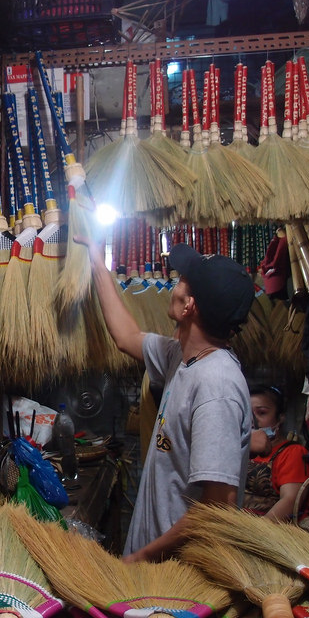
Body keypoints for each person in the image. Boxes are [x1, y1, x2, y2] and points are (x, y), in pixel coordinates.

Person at [84, 237, 255, 562]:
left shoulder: (215, 387)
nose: (174, 285)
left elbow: (217, 506)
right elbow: (127, 338)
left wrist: (140, 559)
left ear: (188, 305)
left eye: (182, 281)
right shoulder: (183, 358)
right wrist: (95, 258)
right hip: (154, 567)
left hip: (175, 575)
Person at [245, 384, 309, 520]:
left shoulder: (292, 453)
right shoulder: (241, 449)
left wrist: (255, 531)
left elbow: (290, 500)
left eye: (262, 413)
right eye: (247, 413)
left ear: (280, 418)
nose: (253, 420)